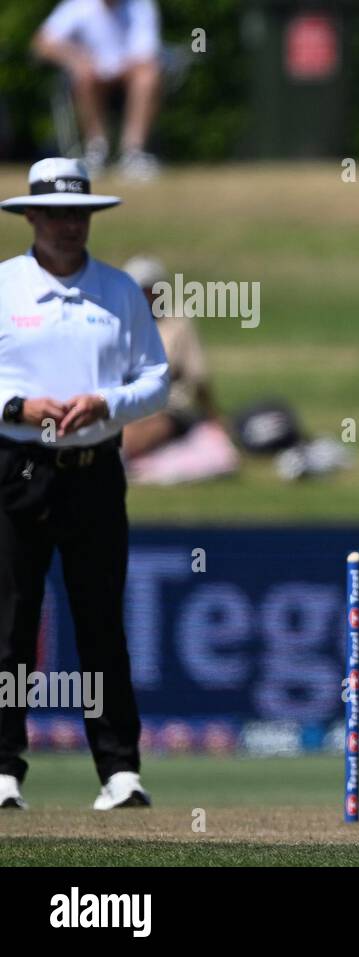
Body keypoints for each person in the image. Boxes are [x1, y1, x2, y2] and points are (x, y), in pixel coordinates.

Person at [0, 158, 169, 811]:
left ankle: (120, 770)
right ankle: (5, 767)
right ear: (32, 217)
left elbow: (154, 379)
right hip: (17, 468)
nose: (69, 226)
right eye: (56, 214)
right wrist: (21, 408)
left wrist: (106, 403)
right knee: (12, 625)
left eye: (79, 214)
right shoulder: (7, 287)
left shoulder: (119, 290)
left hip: (93, 468)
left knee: (100, 620)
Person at [119, 255, 239, 485]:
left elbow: (198, 377)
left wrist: (213, 416)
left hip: (169, 409)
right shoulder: (120, 324)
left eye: (147, 290)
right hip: (127, 406)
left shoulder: (177, 324)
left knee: (146, 431)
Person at [32, 0, 163, 180]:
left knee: (147, 76)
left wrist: (112, 69)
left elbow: (144, 55)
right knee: (84, 74)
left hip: (128, 76)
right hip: (92, 79)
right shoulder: (78, 5)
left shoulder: (140, 6)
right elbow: (42, 43)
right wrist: (76, 57)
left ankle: (133, 152)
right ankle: (96, 150)